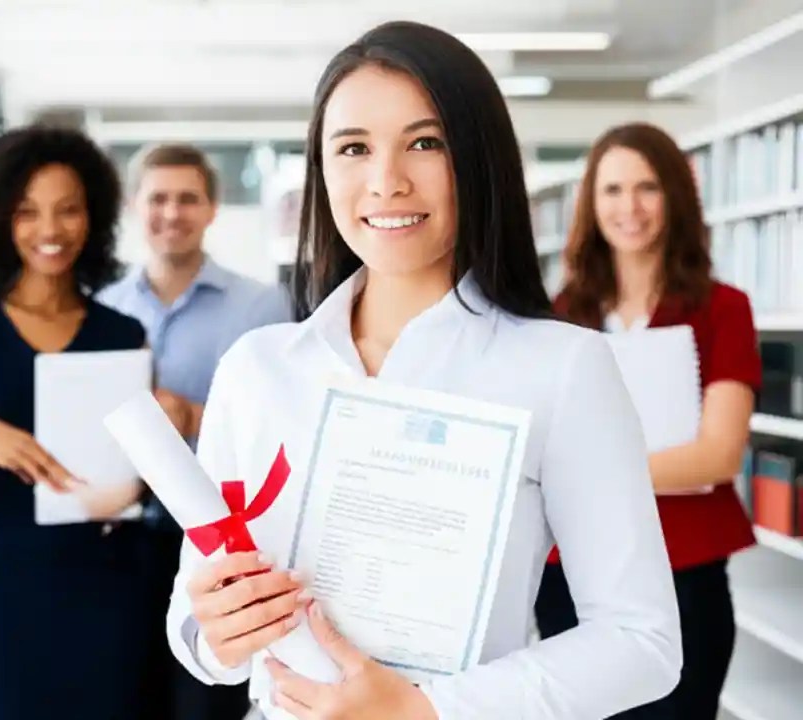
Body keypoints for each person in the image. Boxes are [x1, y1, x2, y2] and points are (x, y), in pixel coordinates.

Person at [165, 21, 683, 719]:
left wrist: (428, 710)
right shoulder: (257, 370)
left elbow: (642, 641)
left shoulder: (563, 369)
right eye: (353, 148)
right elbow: (197, 616)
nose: (387, 181)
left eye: (425, 142)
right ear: (321, 170)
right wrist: (214, 636)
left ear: (477, 158)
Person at [0, 125, 155, 719]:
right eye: (28, 211)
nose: (50, 230)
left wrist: (137, 482)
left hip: (107, 589)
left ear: (93, 217)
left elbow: (138, 475)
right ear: (0, 218)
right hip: (2, 594)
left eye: (68, 210)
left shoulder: (123, 337)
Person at [535, 122, 760, 720]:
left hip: (684, 572)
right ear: (591, 203)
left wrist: (590, 474)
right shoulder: (561, 315)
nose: (629, 207)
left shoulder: (723, 310)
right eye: (612, 190)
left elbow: (717, 455)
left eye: (647, 187)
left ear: (675, 199)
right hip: (573, 577)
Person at [97, 142, 291, 720]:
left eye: (188, 199)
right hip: (120, 539)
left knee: (205, 703)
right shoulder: (103, 307)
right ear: (135, 207)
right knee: (127, 694)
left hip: (221, 542)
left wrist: (192, 419)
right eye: (158, 198)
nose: (172, 213)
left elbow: (283, 428)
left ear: (212, 209)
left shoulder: (261, 307)